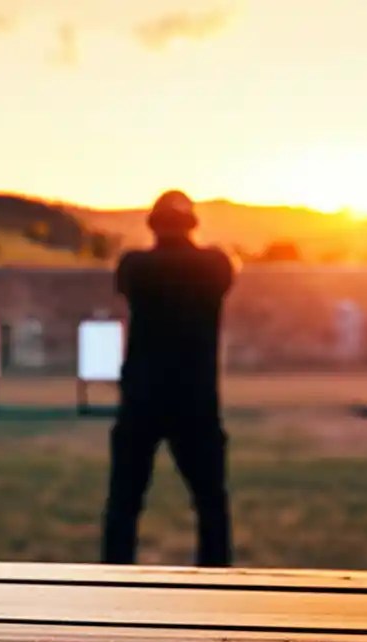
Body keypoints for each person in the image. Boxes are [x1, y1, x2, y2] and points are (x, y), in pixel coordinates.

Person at [102, 190, 239, 567]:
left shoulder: (135, 266)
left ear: (153, 224)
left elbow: (123, 281)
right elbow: (229, 272)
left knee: (124, 502)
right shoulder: (214, 265)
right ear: (192, 224)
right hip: (196, 398)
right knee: (211, 502)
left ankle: (112, 581)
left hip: (142, 397)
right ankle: (216, 579)